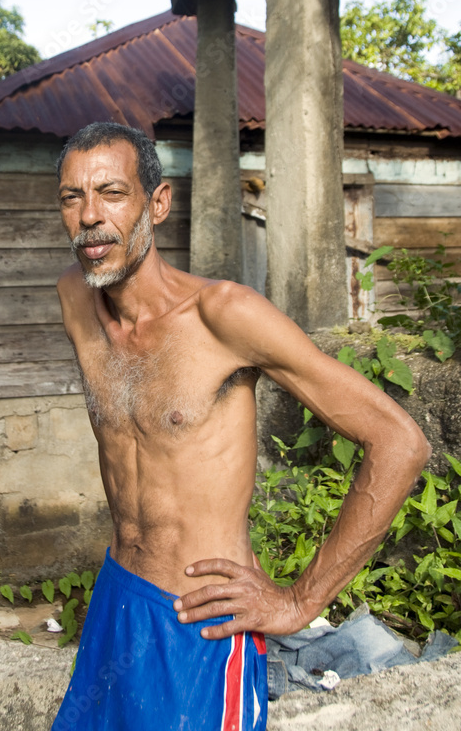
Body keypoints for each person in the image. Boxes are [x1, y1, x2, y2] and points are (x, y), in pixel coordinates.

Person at [51, 121, 430, 731]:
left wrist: (299, 601)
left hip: (203, 624)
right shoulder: (76, 297)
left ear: (158, 203)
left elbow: (399, 442)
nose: (90, 215)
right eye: (73, 197)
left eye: (112, 193)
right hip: (116, 600)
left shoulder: (223, 316)